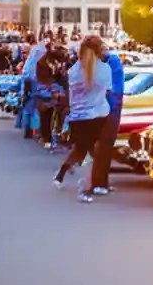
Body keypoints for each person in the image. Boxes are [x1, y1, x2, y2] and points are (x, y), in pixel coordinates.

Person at [54, 36, 112, 202]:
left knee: (81, 149)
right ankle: (86, 188)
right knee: (93, 152)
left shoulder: (74, 71)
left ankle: (64, 174)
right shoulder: (104, 70)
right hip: (98, 115)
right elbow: (108, 90)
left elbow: (71, 93)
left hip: (78, 116)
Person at [91, 46, 127, 197]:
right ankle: (98, 183)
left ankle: (102, 182)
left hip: (108, 110)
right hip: (108, 111)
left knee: (105, 148)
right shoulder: (110, 62)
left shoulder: (109, 62)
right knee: (102, 148)